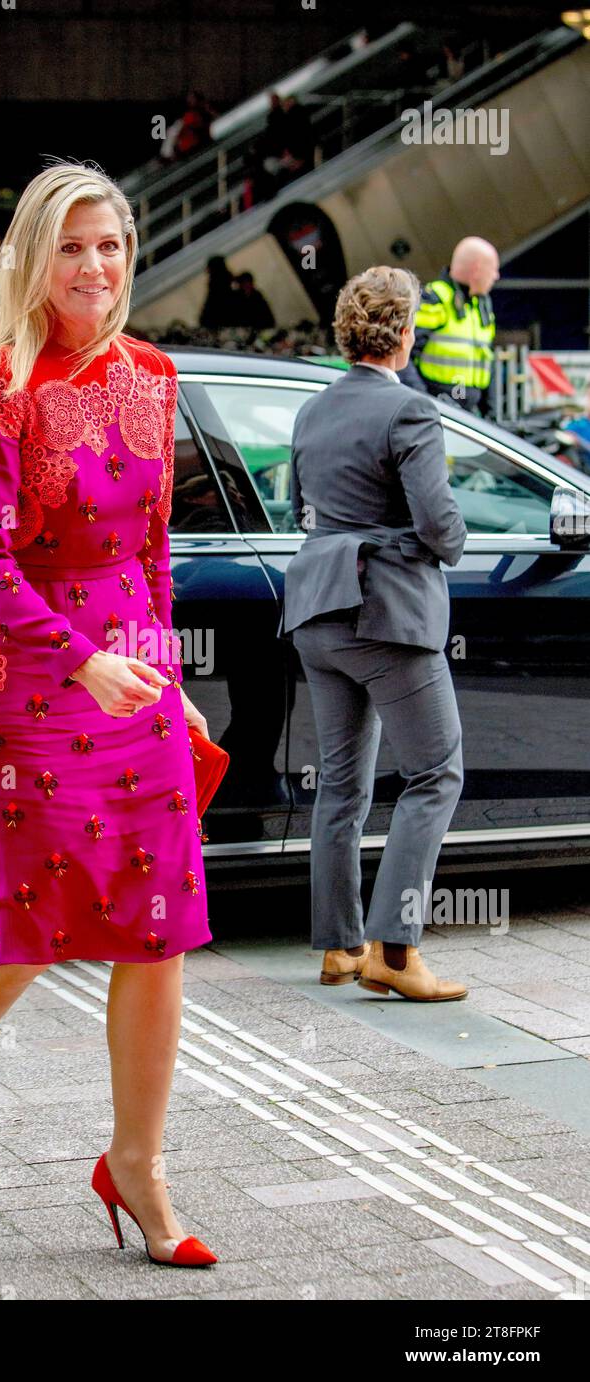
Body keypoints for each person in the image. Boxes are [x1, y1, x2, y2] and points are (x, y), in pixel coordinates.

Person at [0, 159, 218, 1270]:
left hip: (134, 683)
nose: (96, 266)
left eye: (110, 243)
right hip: (24, 681)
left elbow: (154, 554)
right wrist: (79, 662)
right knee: (26, 931)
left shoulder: (156, 376)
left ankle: (139, 1165)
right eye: (72, 245)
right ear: (33, 256)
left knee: (158, 928)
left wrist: (160, 671)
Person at [281, 265, 469, 1002]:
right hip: (384, 612)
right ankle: (394, 947)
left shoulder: (312, 410)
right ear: (406, 332)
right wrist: (448, 542)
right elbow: (436, 526)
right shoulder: (411, 411)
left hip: (315, 609)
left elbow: (304, 506)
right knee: (435, 772)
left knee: (341, 784)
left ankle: (338, 947)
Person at [398, 236, 499, 416]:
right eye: (493, 269)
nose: (496, 276)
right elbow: (402, 355)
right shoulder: (435, 300)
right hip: (438, 414)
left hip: (470, 417)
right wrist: (424, 403)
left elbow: (487, 362)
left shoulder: (481, 306)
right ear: (477, 268)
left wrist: (492, 416)